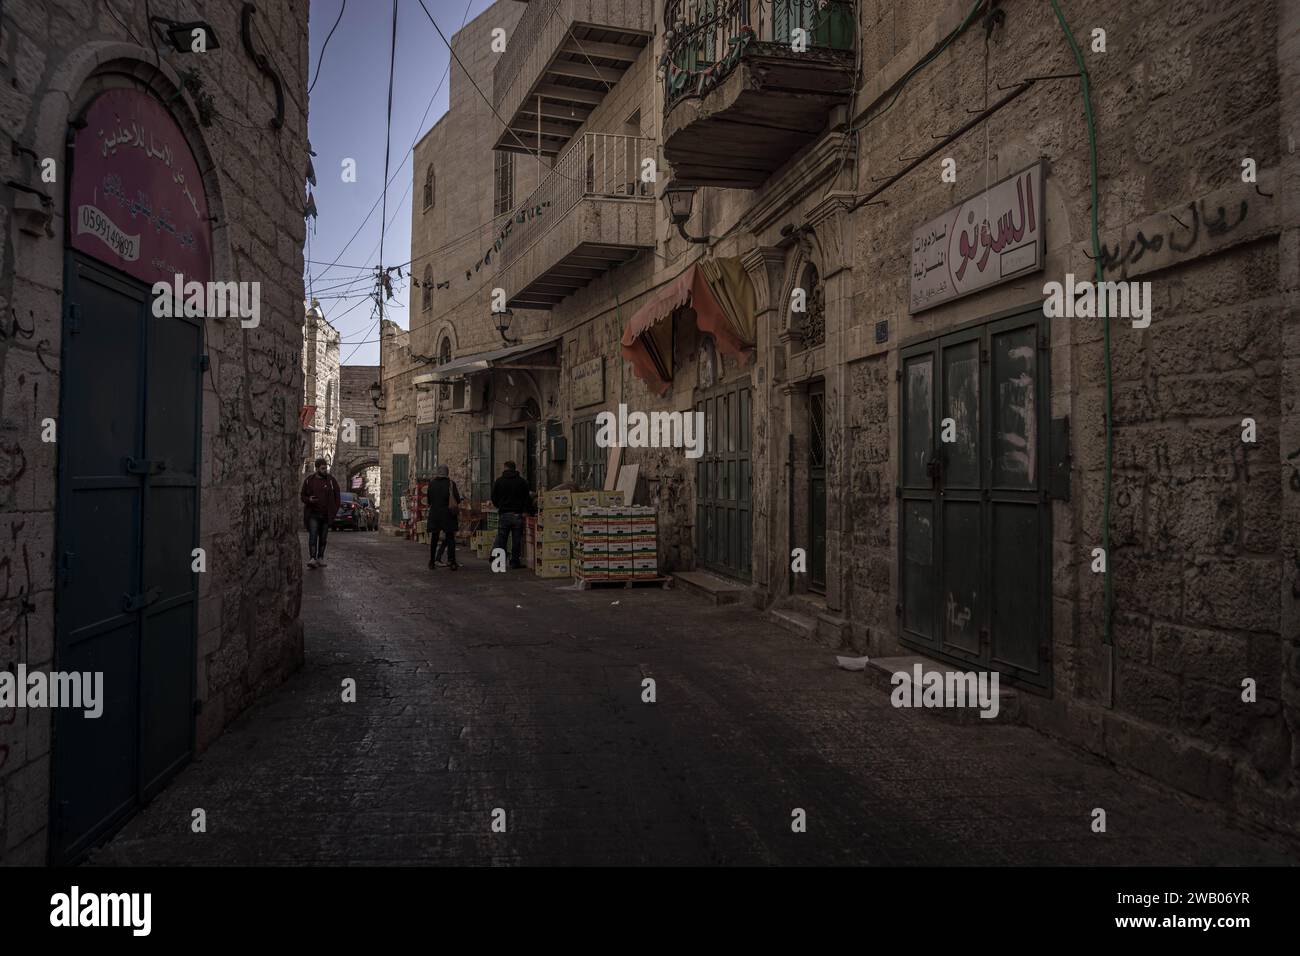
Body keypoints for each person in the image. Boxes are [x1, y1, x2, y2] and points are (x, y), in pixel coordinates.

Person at [490, 460, 532, 569]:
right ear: (515, 468)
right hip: (517, 514)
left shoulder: (499, 481)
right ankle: (514, 562)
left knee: (502, 540)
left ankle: (500, 562)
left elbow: (494, 497)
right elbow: (527, 498)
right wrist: (524, 510)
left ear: (505, 468)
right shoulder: (522, 482)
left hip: (504, 514)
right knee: (516, 540)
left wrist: (500, 506)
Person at [301, 458, 341, 569]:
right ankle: (312, 558)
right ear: (317, 468)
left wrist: (334, 511)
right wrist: (309, 499)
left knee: (323, 538)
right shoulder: (309, 480)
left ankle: (320, 557)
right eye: (323, 468)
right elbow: (302, 496)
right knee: (313, 536)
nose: (325, 470)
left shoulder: (331, 481)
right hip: (313, 514)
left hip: (326, 515)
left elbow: (337, 496)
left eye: (326, 468)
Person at [427, 464, 462, 571]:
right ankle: (452, 561)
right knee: (450, 538)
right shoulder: (451, 484)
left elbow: (429, 501)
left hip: (435, 514)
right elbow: (457, 499)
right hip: (448, 515)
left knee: (434, 538)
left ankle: (432, 562)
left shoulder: (431, 484)